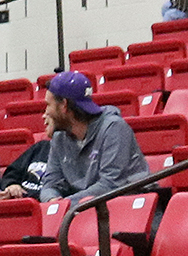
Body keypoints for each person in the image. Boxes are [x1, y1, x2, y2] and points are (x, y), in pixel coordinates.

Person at [40, 72, 148, 203]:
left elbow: (110, 185)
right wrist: (52, 200)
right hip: (85, 210)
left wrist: (65, 205)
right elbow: (50, 184)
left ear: (64, 105)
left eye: (48, 105)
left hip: (129, 207)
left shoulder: (114, 128)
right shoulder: (59, 138)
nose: (46, 112)